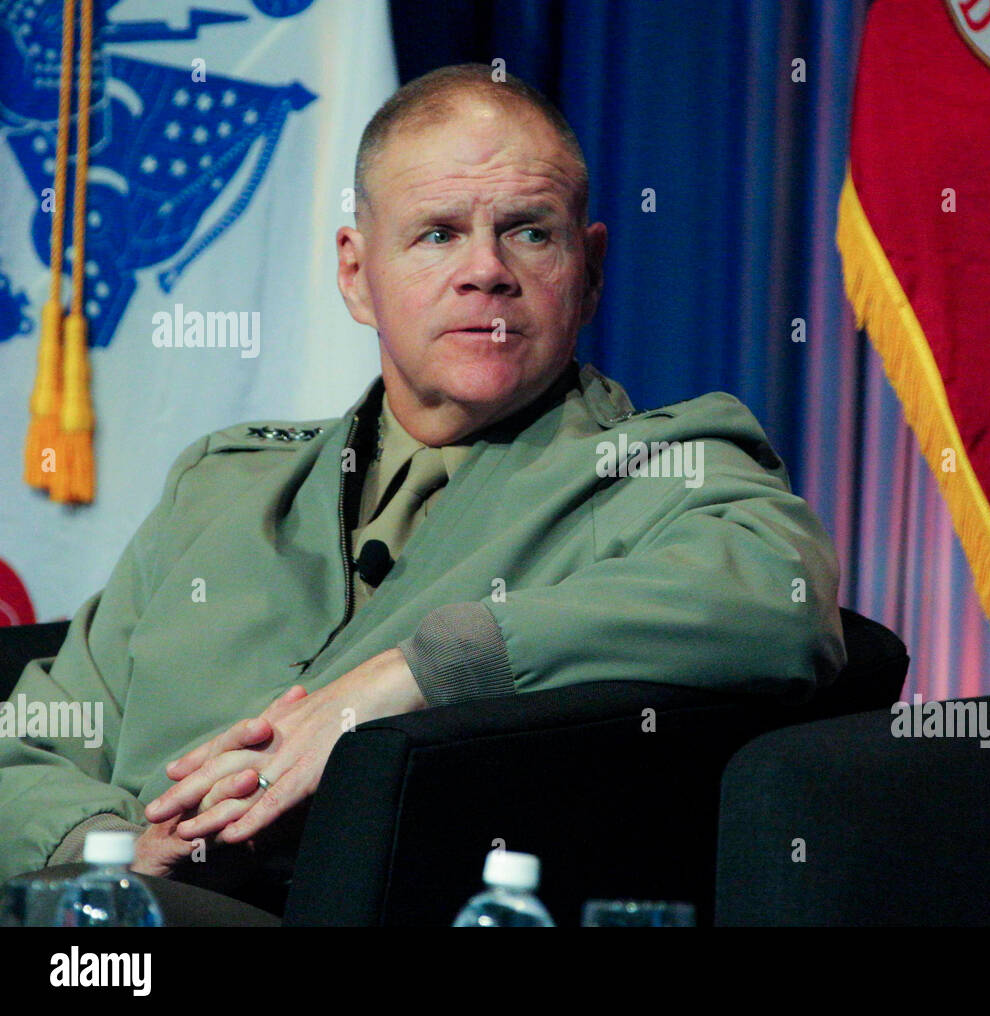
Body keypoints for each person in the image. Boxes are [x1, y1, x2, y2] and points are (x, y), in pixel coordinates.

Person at [0, 65, 845, 904]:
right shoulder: (221, 485)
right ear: (356, 273)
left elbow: (781, 595)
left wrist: (402, 681)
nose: (486, 271)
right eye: (438, 233)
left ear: (589, 271)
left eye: (529, 231)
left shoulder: (654, 474)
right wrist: (120, 854)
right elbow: (29, 746)